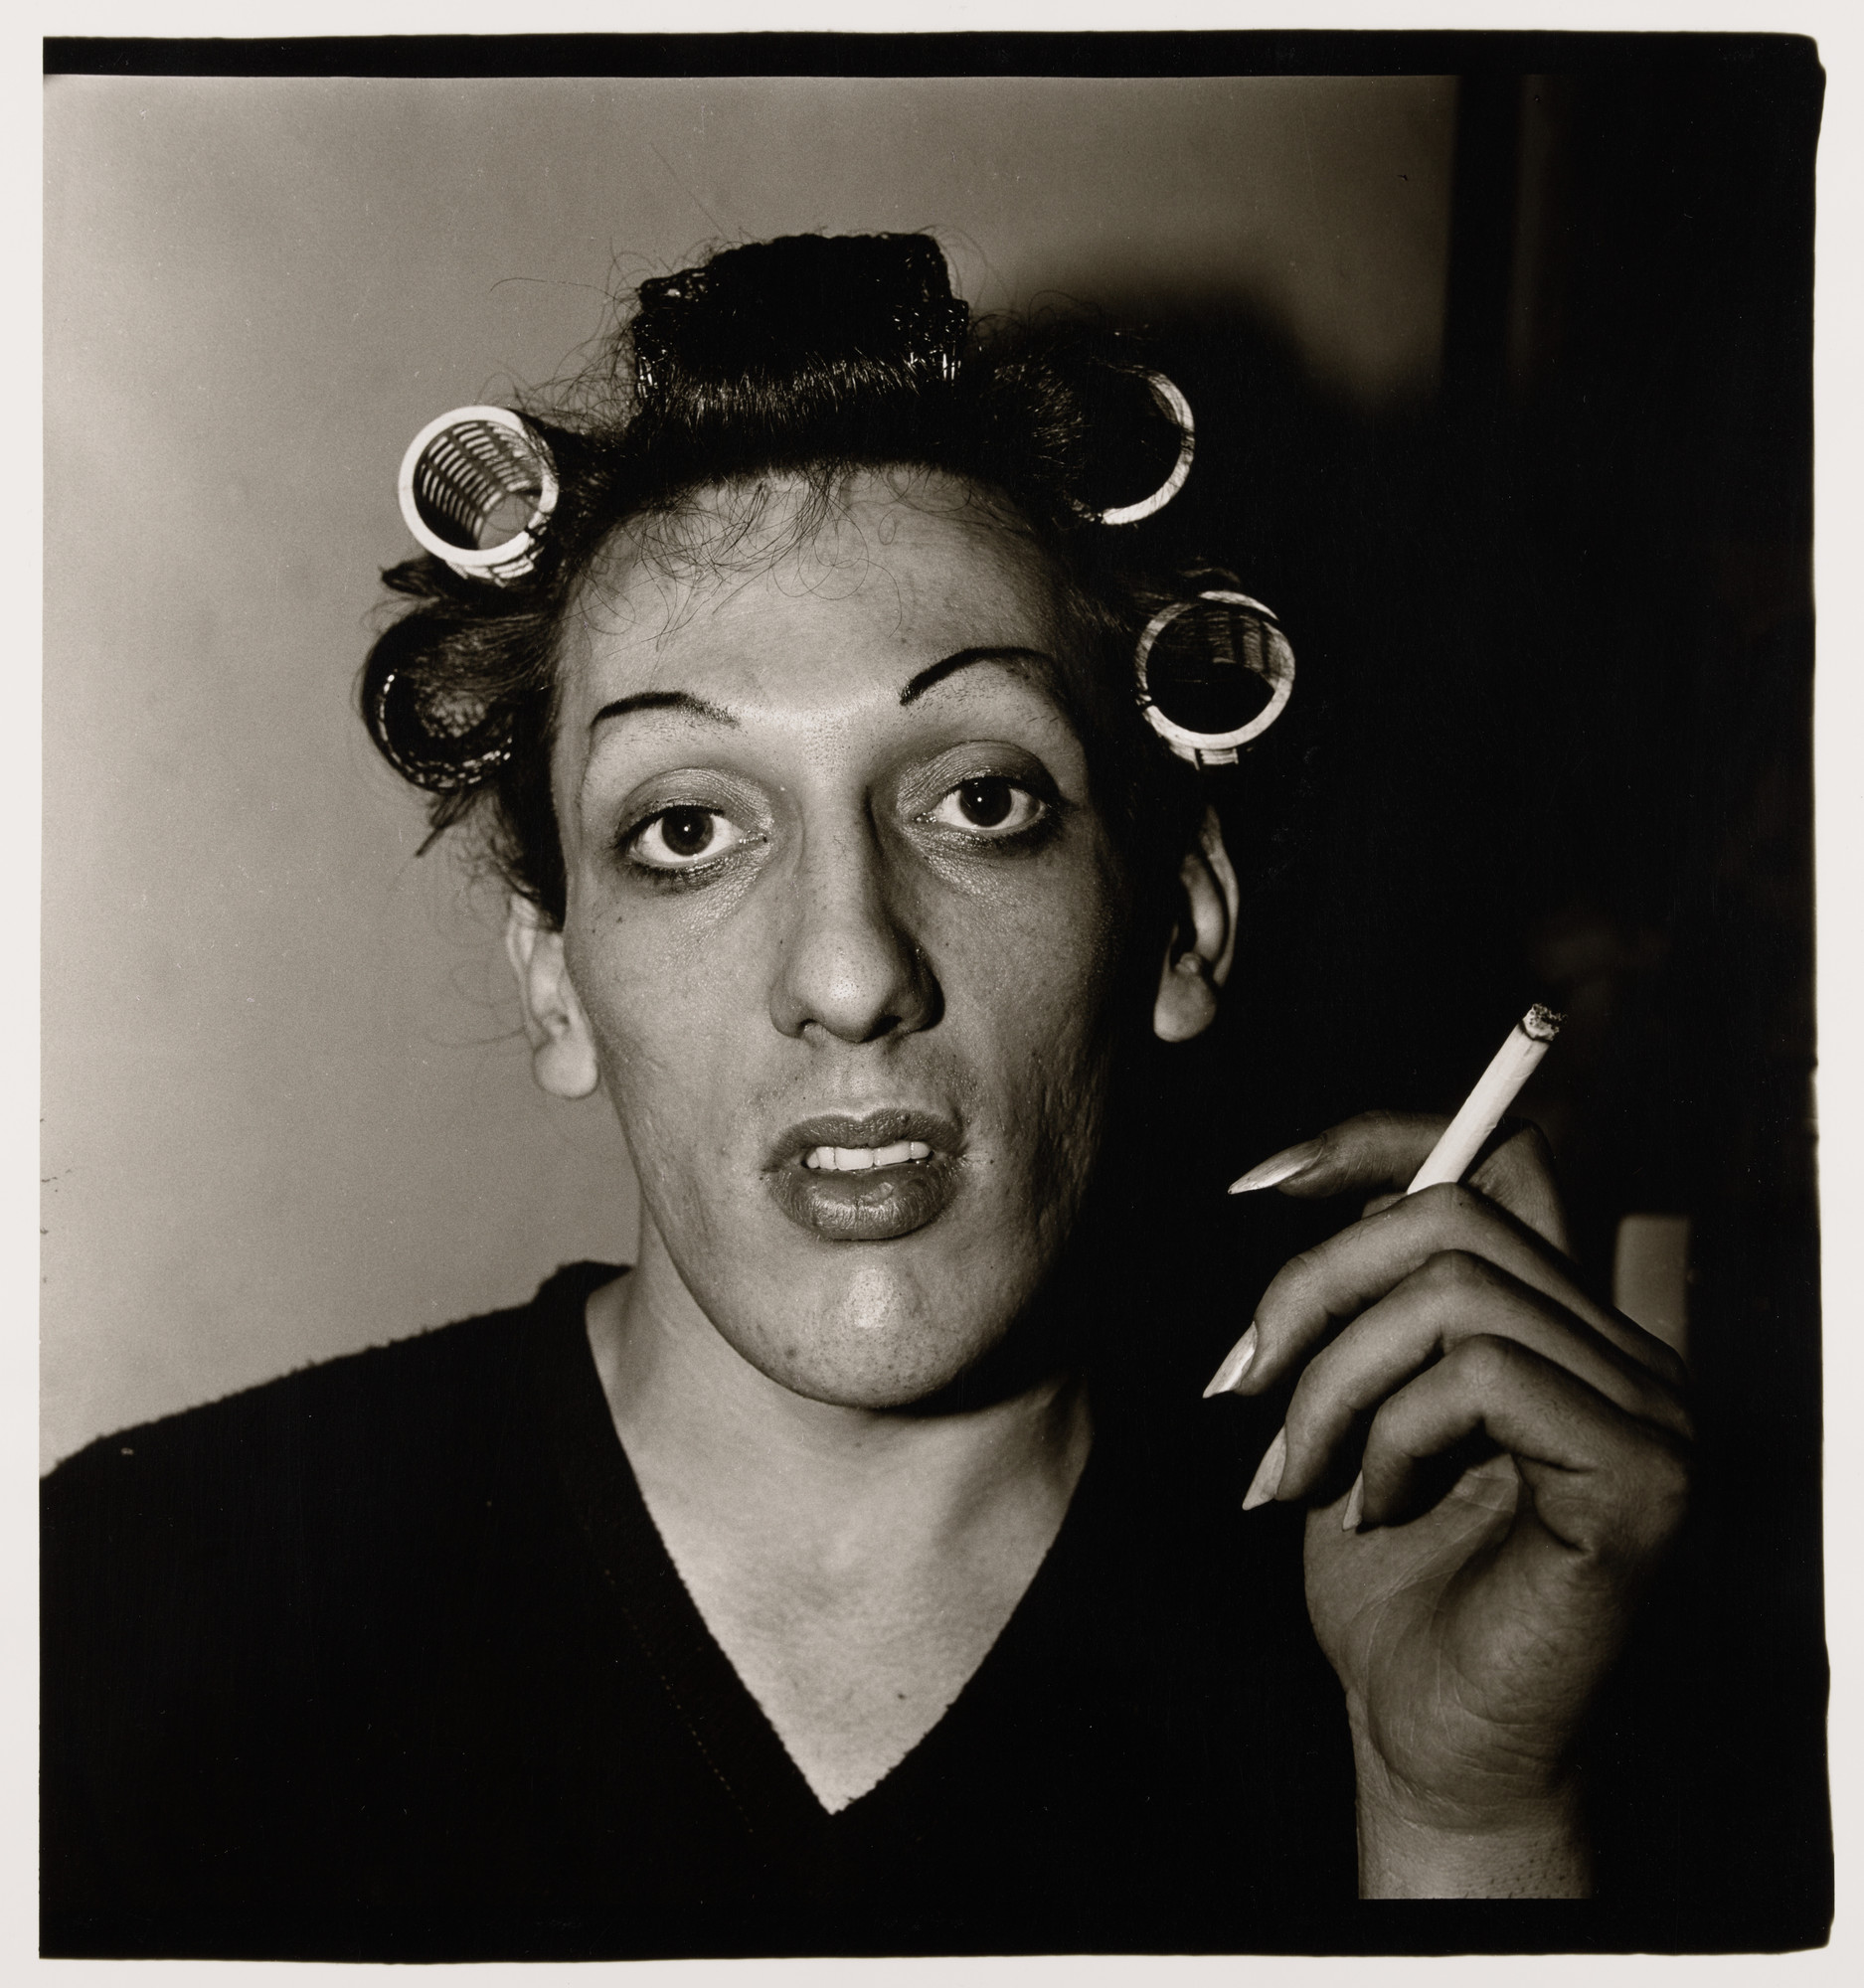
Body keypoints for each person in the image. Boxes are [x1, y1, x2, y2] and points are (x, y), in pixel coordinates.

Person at [41, 233, 1691, 1961]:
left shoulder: (1450, 1612)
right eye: (688, 828)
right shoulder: (130, 1605)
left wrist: (1468, 1816)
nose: (847, 971)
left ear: (1180, 920)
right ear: (556, 977)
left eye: (982, 801)